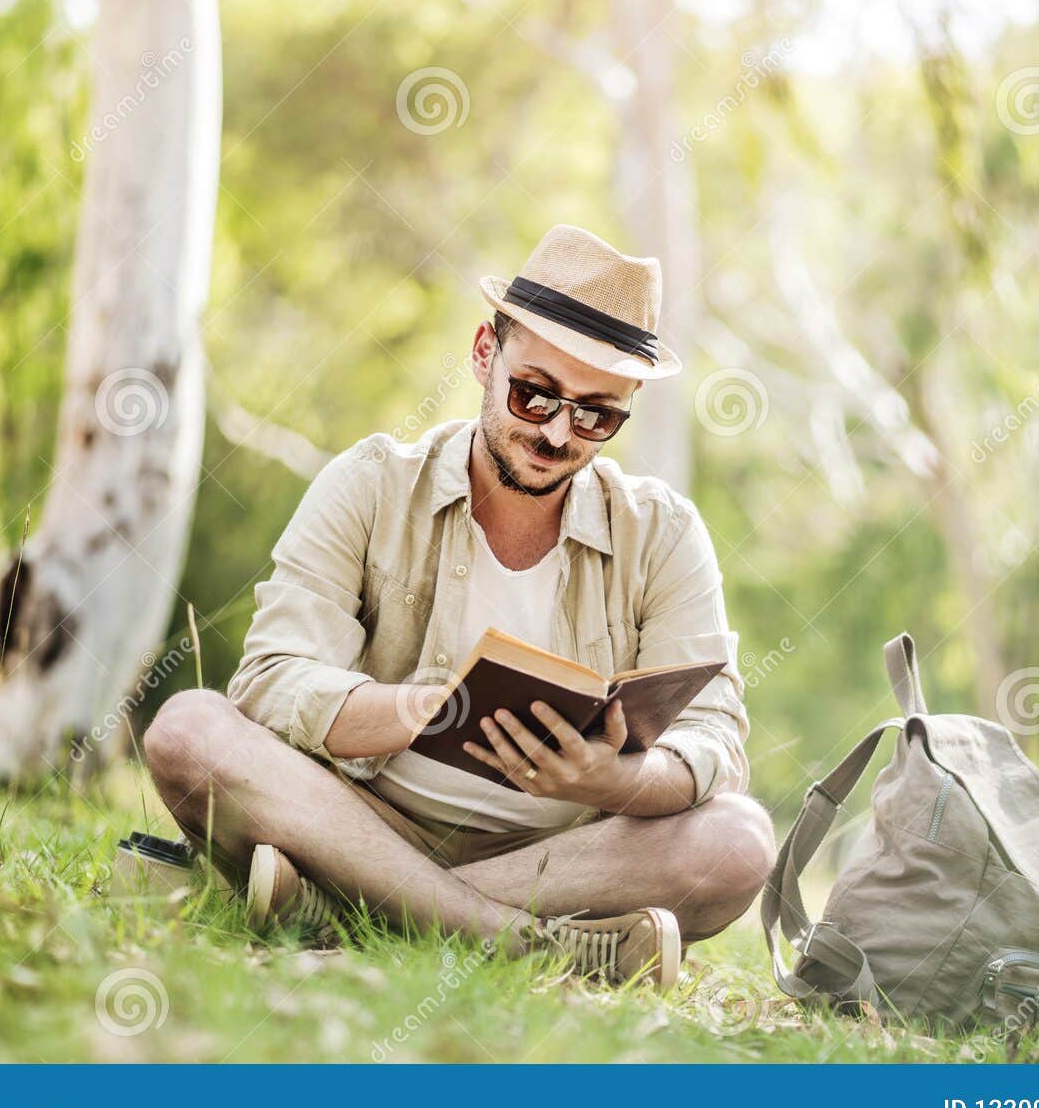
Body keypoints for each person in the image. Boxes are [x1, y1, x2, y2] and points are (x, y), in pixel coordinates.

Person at [144, 224, 775, 990]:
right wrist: (418, 708)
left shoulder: (664, 531)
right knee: (188, 729)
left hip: (569, 858)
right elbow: (269, 679)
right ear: (484, 352)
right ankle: (525, 943)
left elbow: (714, 739)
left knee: (741, 839)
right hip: (357, 819)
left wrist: (609, 782)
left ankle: (350, 913)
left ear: (627, 408)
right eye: (533, 392)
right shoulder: (372, 483)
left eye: (595, 414)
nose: (554, 431)